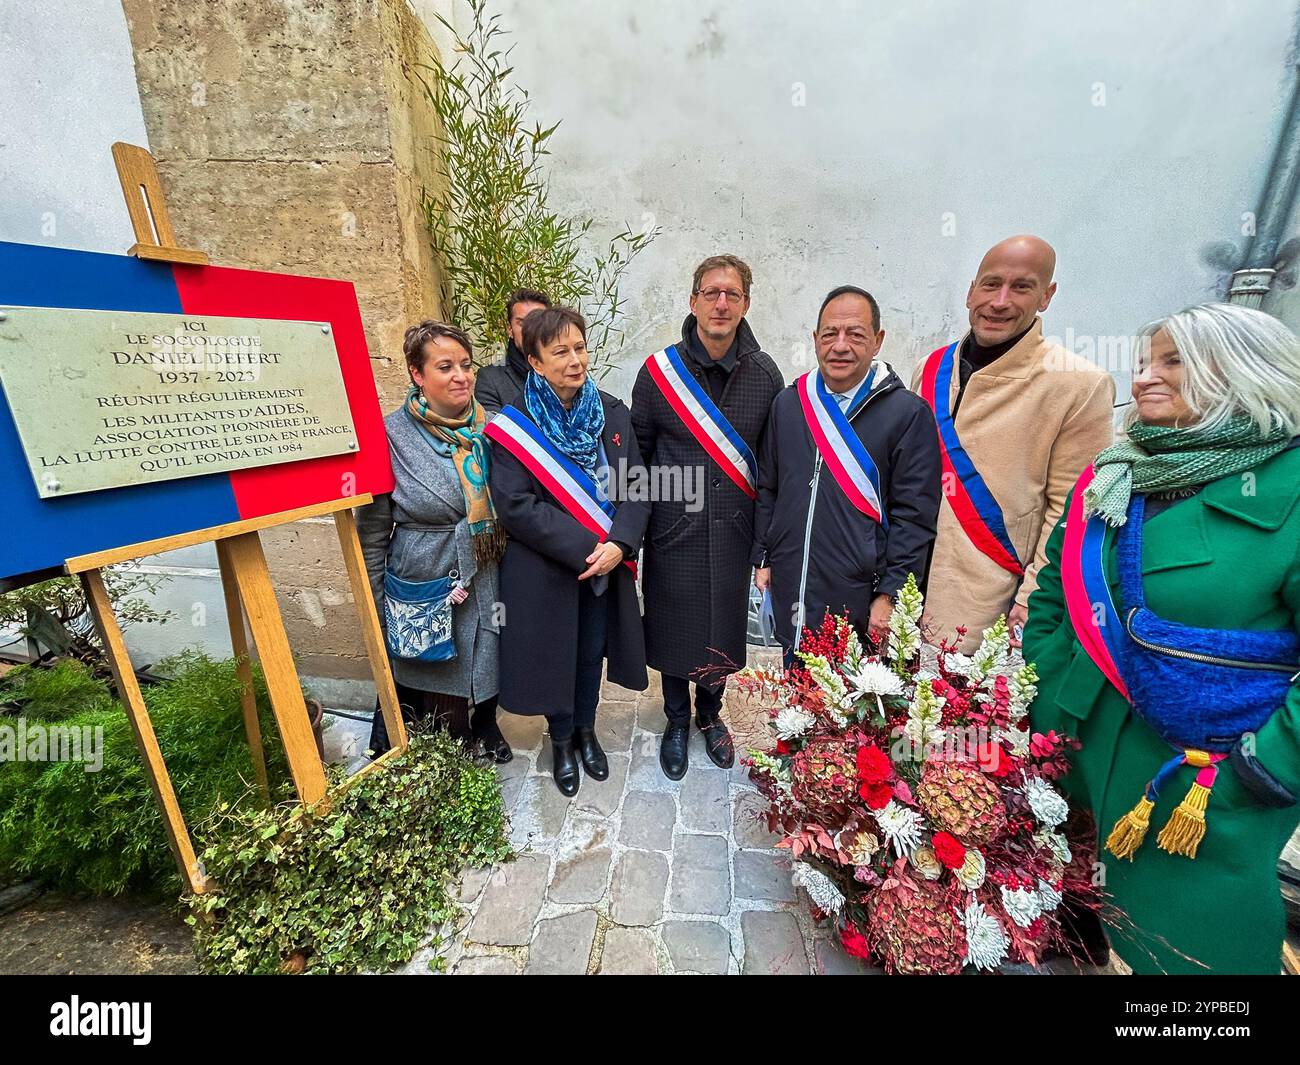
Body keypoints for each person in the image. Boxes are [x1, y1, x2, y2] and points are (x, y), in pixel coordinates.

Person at [1023, 303, 1300, 974]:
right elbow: (1057, 593)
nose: (1145, 376)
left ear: (1242, 370)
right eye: (1145, 360)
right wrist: (1041, 677)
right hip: (1074, 747)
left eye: (1173, 362)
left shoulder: (1287, 491)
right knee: (1072, 927)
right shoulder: (1119, 471)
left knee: (1186, 960)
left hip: (1196, 786)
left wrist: (1255, 771)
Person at [911, 235, 1114, 650]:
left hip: (989, 599)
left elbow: (1072, 509)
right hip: (906, 582)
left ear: (1047, 296)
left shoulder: (1078, 384)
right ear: (971, 291)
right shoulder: (929, 367)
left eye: (1021, 287)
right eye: (990, 284)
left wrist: (1032, 596)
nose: (1000, 301)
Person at [486, 306, 650, 796]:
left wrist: (620, 542)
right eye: (560, 352)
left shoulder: (612, 413)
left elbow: (637, 486)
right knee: (557, 652)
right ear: (535, 361)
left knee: (590, 653)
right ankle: (560, 741)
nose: (575, 360)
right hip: (547, 566)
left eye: (579, 348)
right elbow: (516, 505)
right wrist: (589, 546)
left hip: (606, 563)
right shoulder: (514, 425)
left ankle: (585, 729)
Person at [631, 254, 784, 780]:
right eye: (711, 293)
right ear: (693, 300)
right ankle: (676, 718)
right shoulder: (658, 374)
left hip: (734, 532)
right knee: (673, 626)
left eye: (733, 294)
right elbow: (639, 459)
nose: (721, 303)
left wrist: (763, 541)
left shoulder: (765, 375)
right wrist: (643, 527)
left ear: (746, 304)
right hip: (674, 529)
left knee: (721, 626)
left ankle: (709, 714)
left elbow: (771, 465)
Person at [753, 286, 941, 657]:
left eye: (855, 334)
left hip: (862, 601)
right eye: (829, 334)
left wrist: (891, 596)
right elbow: (769, 487)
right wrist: (765, 558)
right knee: (800, 701)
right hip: (795, 588)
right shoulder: (789, 404)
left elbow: (915, 517)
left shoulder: (907, 414)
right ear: (815, 340)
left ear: (877, 341)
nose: (840, 346)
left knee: (861, 709)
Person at [356, 320, 510, 762]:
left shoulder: (495, 429)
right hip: (426, 570)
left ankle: (485, 724)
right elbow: (371, 531)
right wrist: (377, 602)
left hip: (485, 568)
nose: (461, 375)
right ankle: (429, 742)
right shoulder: (389, 436)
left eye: (466, 364)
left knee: (486, 654)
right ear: (417, 374)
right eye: (445, 366)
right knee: (427, 664)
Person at [476, 287, 551, 414]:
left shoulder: (567, 368)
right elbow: (496, 431)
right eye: (523, 323)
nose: (531, 330)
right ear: (510, 330)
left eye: (539, 322)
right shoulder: (490, 379)